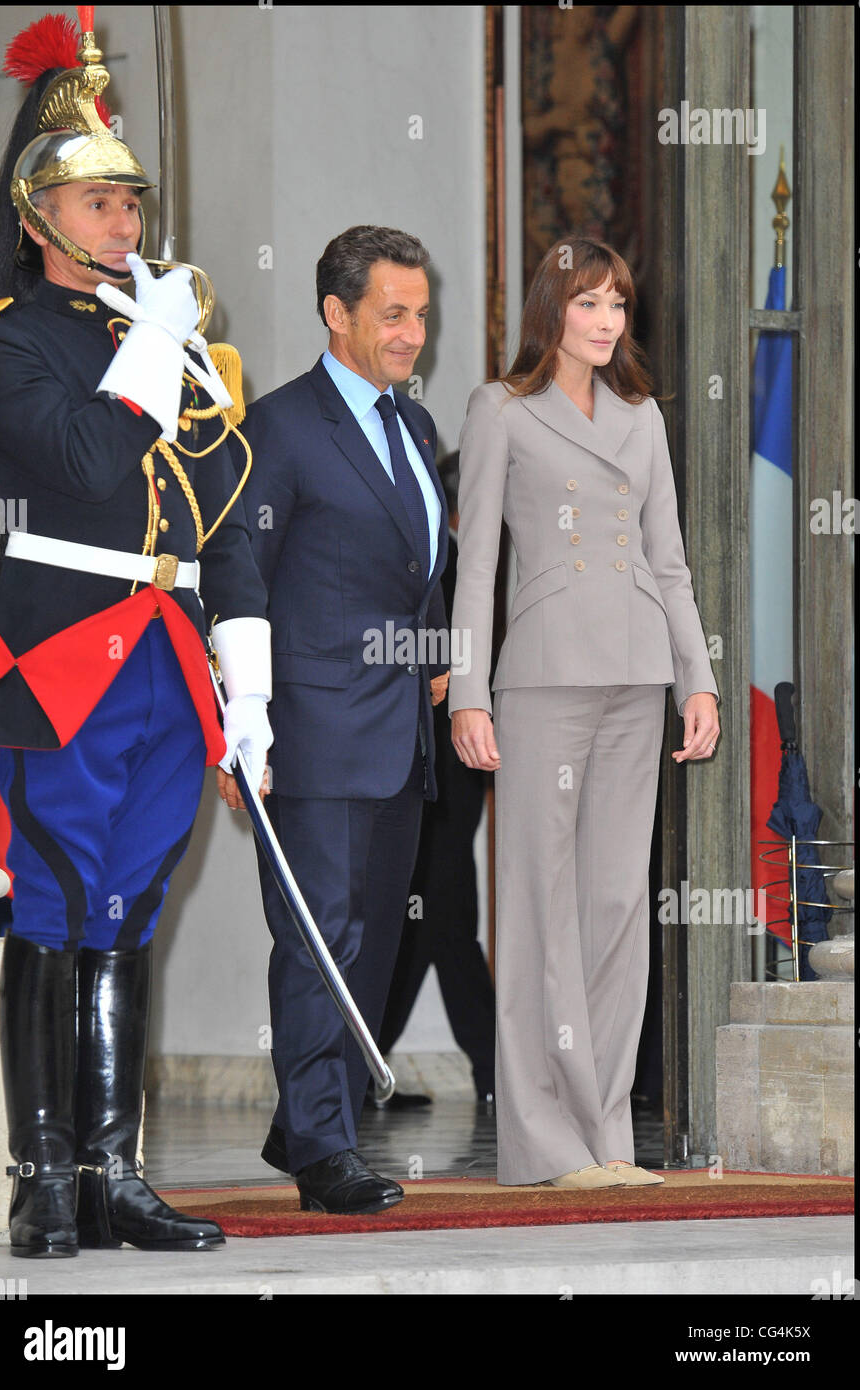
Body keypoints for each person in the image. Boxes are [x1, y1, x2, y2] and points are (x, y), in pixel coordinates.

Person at [0, 13, 272, 1257]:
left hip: (165, 652)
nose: (124, 225)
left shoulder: (175, 349)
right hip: (59, 652)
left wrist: (246, 685)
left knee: (128, 904)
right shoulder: (5, 338)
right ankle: (41, 1173)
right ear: (38, 212)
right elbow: (95, 458)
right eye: (98, 204)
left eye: (130, 203)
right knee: (52, 899)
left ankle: (111, 1170)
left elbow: (226, 512)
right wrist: (158, 338)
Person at [448, 235, 720, 1190]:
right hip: (543, 678)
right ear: (551, 311)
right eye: (588, 303)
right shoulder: (499, 409)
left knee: (612, 909)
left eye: (617, 305)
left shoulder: (641, 417)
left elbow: (671, 559)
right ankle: (543, 1143)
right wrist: (468, 691)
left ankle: (607, 1135)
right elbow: (475, 563)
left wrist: (699, 679)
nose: (606, 322)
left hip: (637, 670)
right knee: (537, 908)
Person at [223, 225, 449, 1214]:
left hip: (400, 733)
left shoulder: (418, 427)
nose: (411, 333)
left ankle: (308, 1121)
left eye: (420, 313)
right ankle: (323, 1149)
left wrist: (436, 655)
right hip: (311, 735)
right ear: (336, 312)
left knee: (369, 945)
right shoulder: (278, 426)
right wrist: (247, 717)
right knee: (319, 937)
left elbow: (417, 569)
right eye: (392, 314)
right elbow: (235, 570)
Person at [377, 452, 496, 1106]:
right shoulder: (446, 562)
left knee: (438, 922)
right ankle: (490, 1072)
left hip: (443, 771)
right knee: (440, 921)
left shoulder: (452, 559)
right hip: (438, 772)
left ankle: (370, 1066)